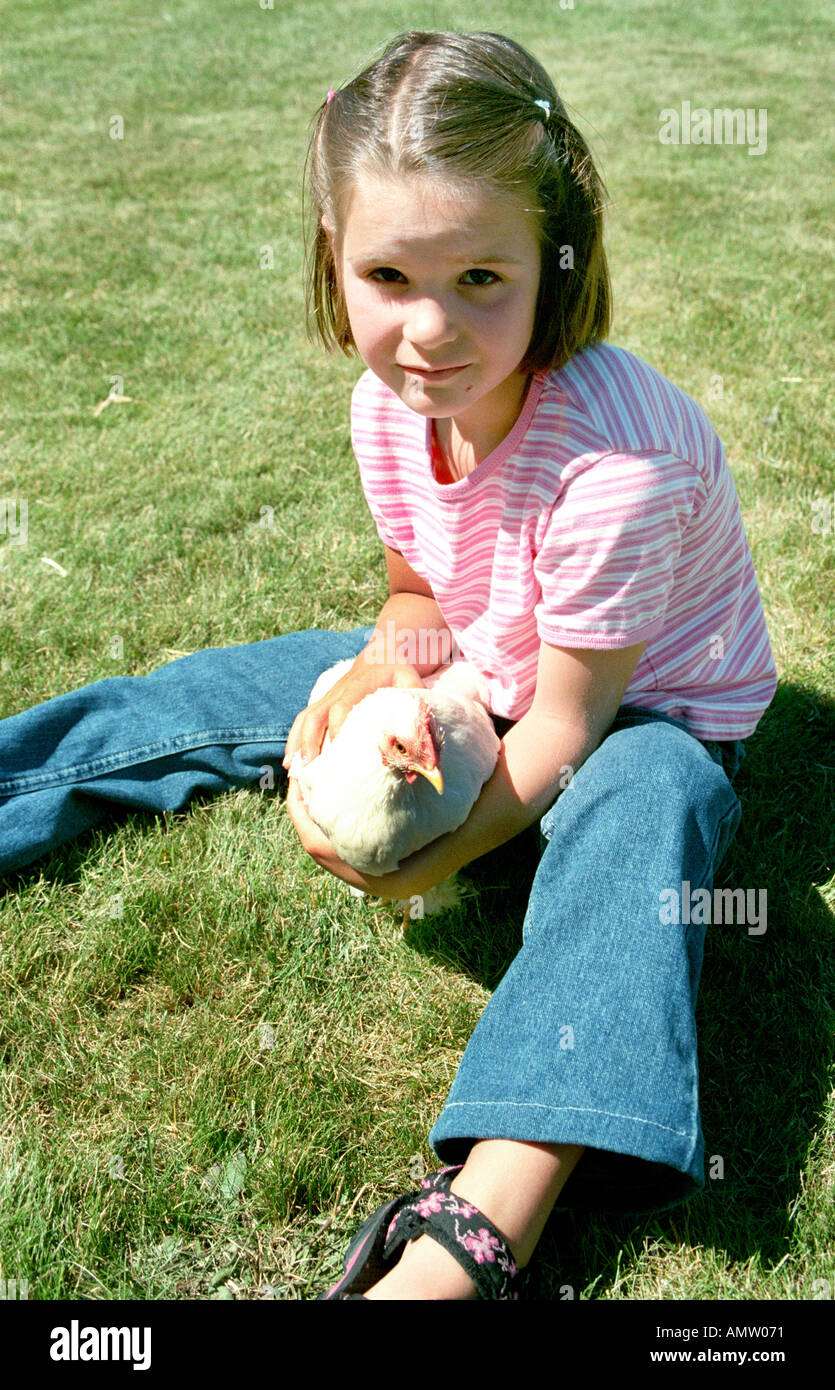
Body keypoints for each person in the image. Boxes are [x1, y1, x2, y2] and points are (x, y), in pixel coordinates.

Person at [0, 31, 777, 1301]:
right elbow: (421, 589)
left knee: (650, 813)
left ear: (553, 264)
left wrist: (434, 858)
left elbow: (567, 732)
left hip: (630, 717)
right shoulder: (390, 407)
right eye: (388, 275)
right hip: (480, 664)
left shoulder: (618, 470)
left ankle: (477, 1229)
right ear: (333, 262)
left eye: (481, 276)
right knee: (208, 700)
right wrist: (376, 671)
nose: (430, 330)